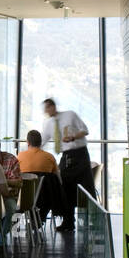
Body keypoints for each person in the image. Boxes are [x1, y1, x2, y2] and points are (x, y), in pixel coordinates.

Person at [42, 98, 95, 231]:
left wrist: (73, 137)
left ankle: (94, 220)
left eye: (48, 107)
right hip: (66, 156)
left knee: (87, 187)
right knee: (65, 188)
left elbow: (85, 130)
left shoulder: (70, 115)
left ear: (53, 106)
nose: (46, 111)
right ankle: (68, 222)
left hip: (80, 154)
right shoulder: (49, 124)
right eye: (45, 108)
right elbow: (42, 140)